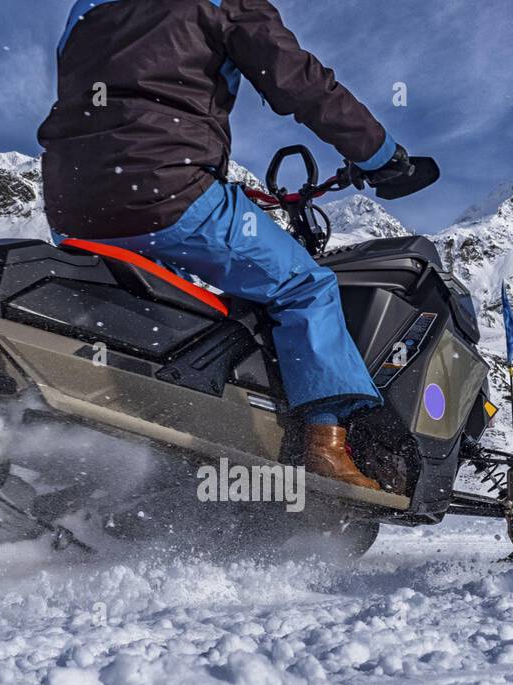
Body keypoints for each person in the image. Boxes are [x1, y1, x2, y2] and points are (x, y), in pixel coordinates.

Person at [38, 0, 422, 489]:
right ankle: (324, 448)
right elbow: (300, 82)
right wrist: (383, 156)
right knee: (305, 285)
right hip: (167, 188)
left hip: (73, 200)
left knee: (173, 300)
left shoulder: (87, 8)